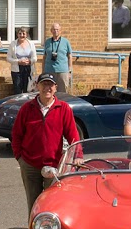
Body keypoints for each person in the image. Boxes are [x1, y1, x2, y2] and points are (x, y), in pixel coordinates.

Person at [10, 74, 80, 211]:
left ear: (55, 88)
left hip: (54, 164)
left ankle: (49, 226)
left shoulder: (63, 108)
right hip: (30, 164)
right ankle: (33, 226)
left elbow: (73, 135)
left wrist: (77, 155)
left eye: (50, 85)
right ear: (37, 86)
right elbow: (16, 135)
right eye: (44, 84)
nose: (47, 88)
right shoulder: (27, 108)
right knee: (34, 205)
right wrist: (20, 158)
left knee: (52, 204)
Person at [42, 23, 74, 95]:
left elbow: (70, 56)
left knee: (63, 92)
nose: (55, 31)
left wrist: (69, 70)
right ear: (51, 31)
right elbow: (44, 57)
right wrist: (43, 71)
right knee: (49, 91)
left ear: (60, 31)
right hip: (49, 71)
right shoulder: (47, 42)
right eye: (54, 29)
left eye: (57, 29)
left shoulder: (66, 42)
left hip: (62, 71)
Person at [8, 27, 36, 94]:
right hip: (17, 70)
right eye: (20, 33)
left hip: (28, 69)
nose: (22, 35)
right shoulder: (13, 44)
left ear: (27, 35)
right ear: (17, 34)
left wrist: (30, 61)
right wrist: (18, 61)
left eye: (23, 33)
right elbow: (8, 58)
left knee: (28, 89)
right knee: (18, 89)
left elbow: (35, 58)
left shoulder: (31, 44)